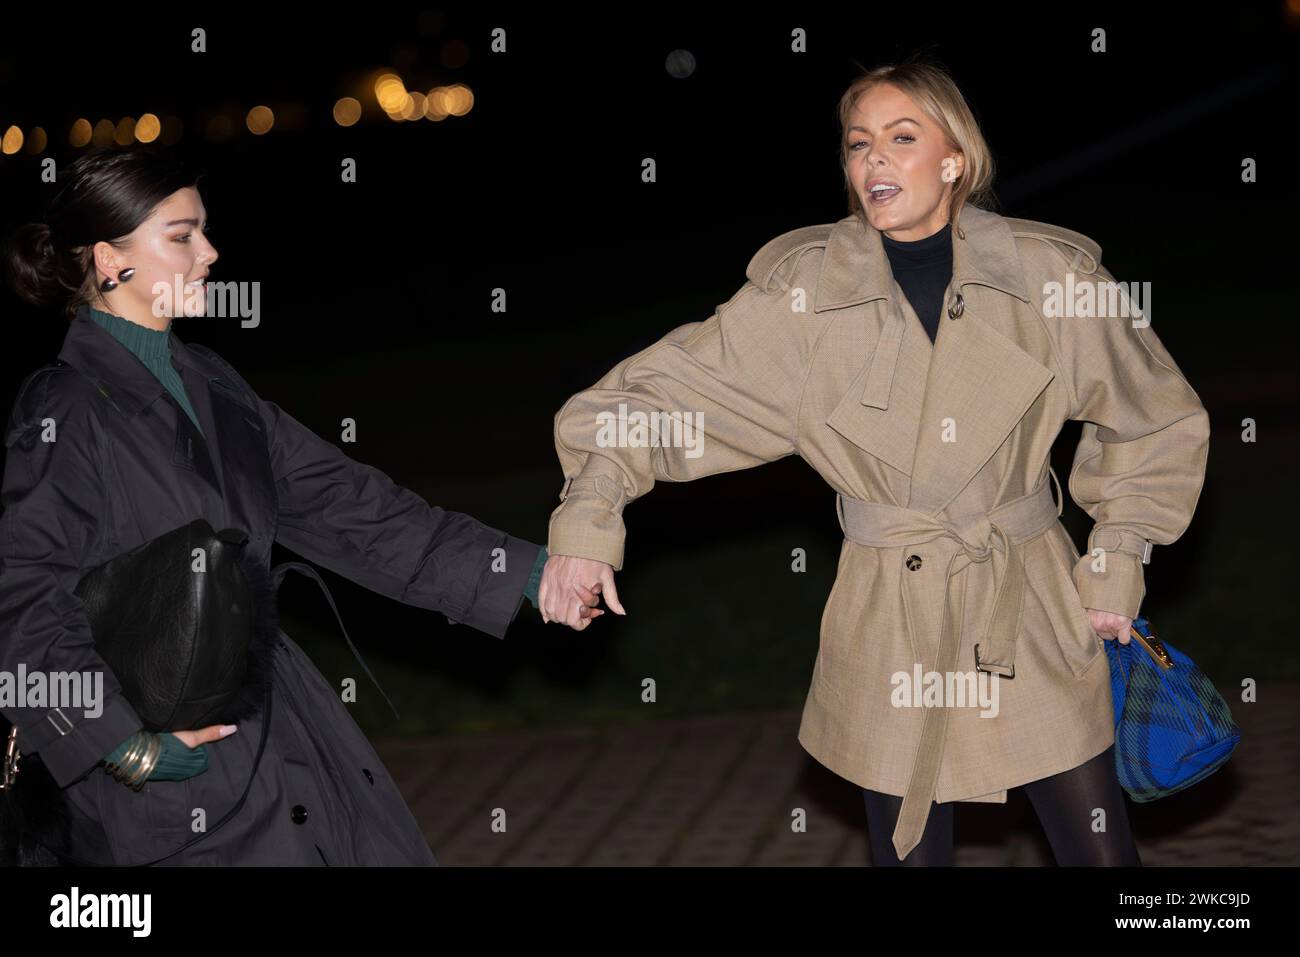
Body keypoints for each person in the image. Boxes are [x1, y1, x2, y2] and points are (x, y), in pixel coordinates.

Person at [539, 61, 1210, 865]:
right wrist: (588, 517)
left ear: (955, 157)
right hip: (890, 613)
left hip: (1028, 599)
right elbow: (653, 400)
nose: (875, 162)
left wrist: (1116, 557)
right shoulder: (803, 296)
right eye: (860, 145)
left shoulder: (1049, 276)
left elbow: (1153, 416)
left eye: (901, 138)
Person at [0, 145, 599, 865]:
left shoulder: (212, 382)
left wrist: (531, 574)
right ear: (108, 260)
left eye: (205, 229)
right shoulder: (64, 408)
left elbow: (355, 508)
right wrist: (119, 742)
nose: (211, 252)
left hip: (282, 737)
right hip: (166, 793)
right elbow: (22, 595)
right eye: (183, 234)